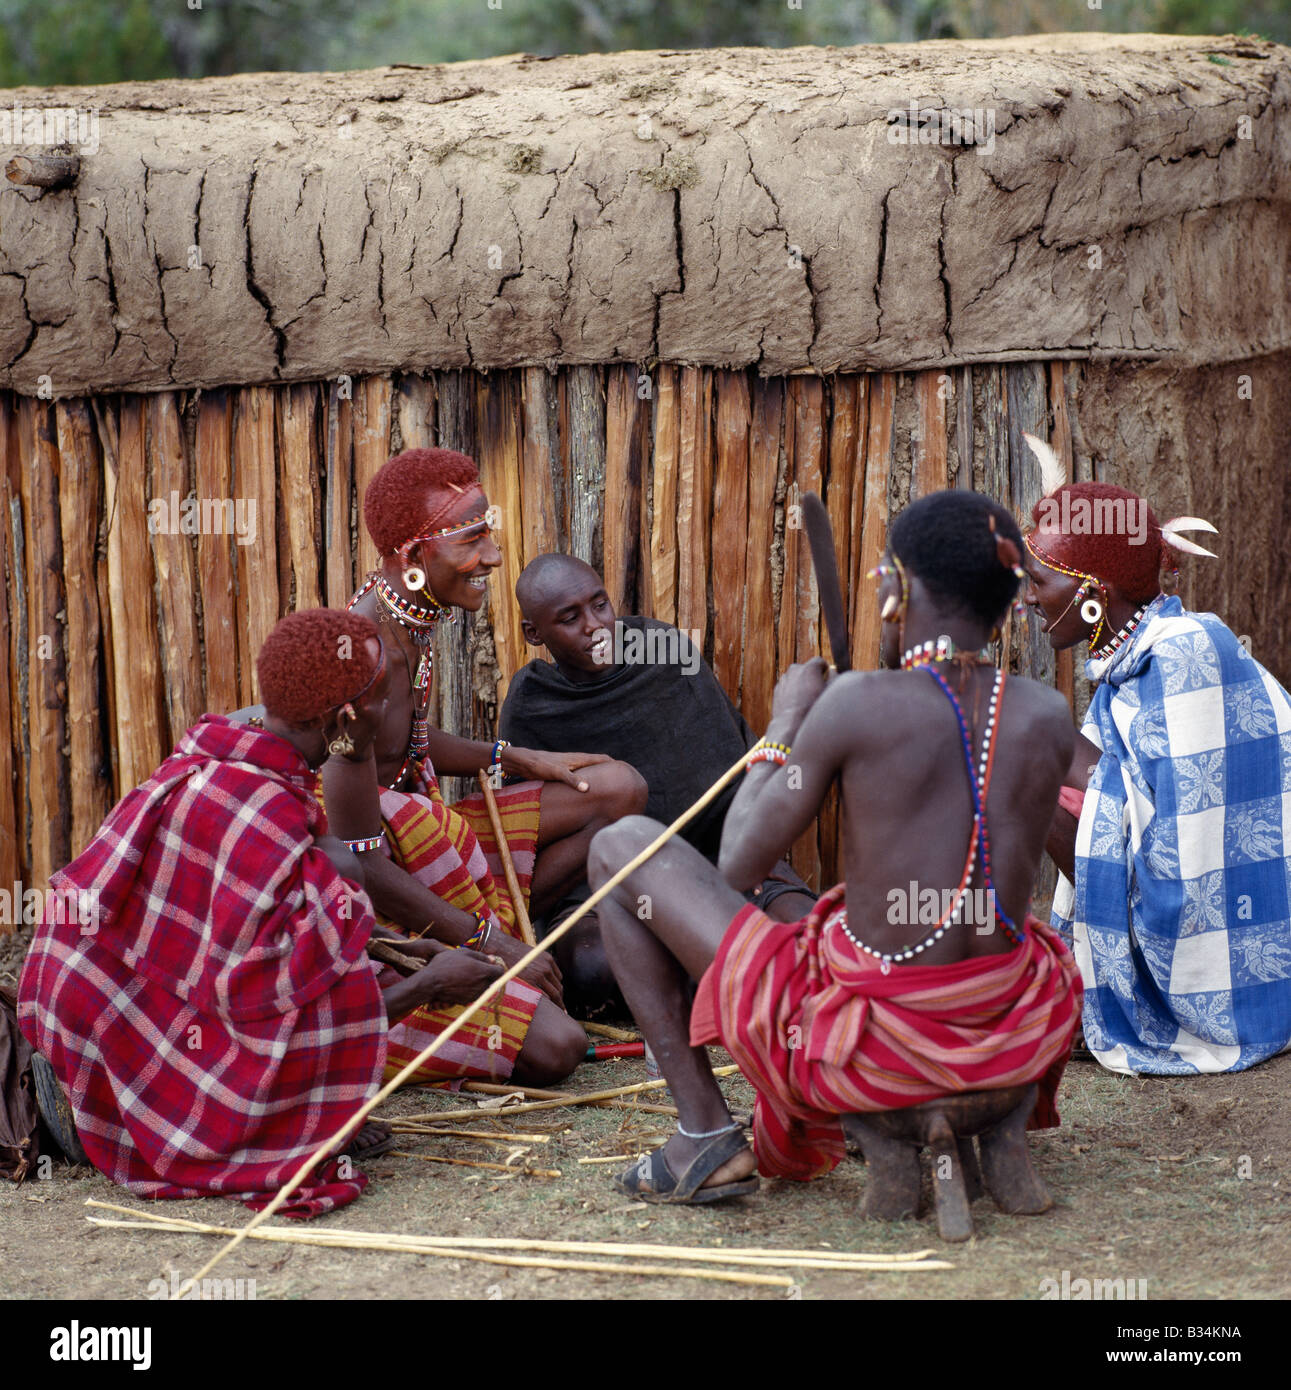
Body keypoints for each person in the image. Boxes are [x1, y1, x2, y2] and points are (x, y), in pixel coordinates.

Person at [587, 491, 1084, 1203]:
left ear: (900, 590)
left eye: (886, 576)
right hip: (1009, 1036)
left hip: (874, 1051)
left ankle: (701, 1135)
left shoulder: (853, 703)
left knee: (620, 844)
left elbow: (738, 865)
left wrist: (785, 723)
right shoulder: (1047, 713)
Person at [17, 610, 507, 1216]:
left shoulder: (230, 759)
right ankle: (115, 1111)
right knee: (337, 900)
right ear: (343, 719)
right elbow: (268, 1010)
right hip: (111, 1012)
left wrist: (397, 949)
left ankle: (109, 1093)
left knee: (336, 895)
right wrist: (431, 985)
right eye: (382, 701)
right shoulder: (259, 808)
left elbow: (250, 938)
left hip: (89, 991)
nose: (391, 715)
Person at [325, 447, 647, 1084]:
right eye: (472, 541)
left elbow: (403, 742)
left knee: (616, 788)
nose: (495, 558)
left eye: (488, 535)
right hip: (367, 883)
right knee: (557, 1048)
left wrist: (516, 755)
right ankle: (481, 946)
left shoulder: (406, 618)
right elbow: (355, 858)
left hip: (415, 839)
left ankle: (502, 930)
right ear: (415, 556)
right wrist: (487, 942)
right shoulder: (358, 656)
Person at [1022, 477, 1291, 1075]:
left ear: (1094, 592)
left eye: (1039, 582)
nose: (1027, 599)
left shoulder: (1186, 651)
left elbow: (1192, 855)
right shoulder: (1130, 662)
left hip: (1225, 954)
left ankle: (1141, 996)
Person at [497, 553, 815, 1014]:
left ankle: (718, 974)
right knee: (591, 969)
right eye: (570, 618)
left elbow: (731, 772)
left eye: (600, 605)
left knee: (806, 931)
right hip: (603, 891)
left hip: (716, 859)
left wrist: (744, 865)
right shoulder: (533, 703)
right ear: (533, 634)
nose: (595, 625)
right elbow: (527, 837)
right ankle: (740, 976)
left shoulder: (663, 651)